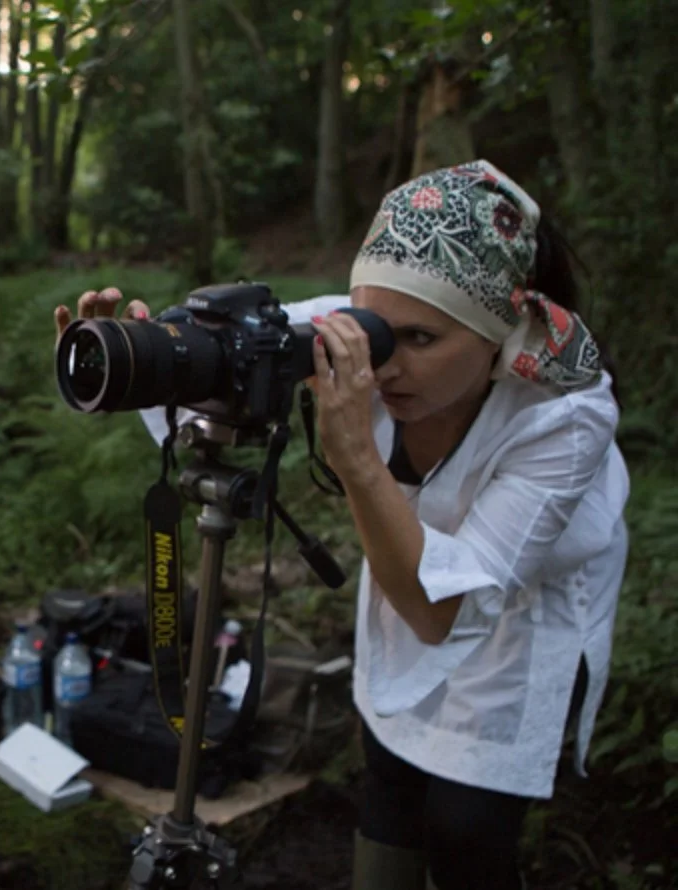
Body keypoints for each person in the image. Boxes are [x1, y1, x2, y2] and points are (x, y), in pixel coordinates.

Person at [53, 160, 629, 890]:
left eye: (419, 339)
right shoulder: (357, 333)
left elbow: (439, 610)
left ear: (501, 340)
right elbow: (217, 373)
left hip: (521, 614)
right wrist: (132, 361)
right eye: (374, 328)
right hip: (406, 566)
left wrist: (355, 453)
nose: (384, 362)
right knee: (388, 770)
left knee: (468, 822)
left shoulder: (567, 418)